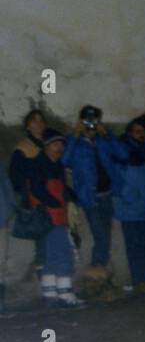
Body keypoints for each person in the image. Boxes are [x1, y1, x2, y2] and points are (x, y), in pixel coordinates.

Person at [99, 117, 145, 293]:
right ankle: (140, 281)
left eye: (143, 131)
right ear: (129, 133)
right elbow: (119, 177)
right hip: (131, 205)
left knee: (143, 244)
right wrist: (126, 197)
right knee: (134, 245)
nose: (140, 135)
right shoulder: (124, 150)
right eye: (136, 131)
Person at [62, 105, 116, 284]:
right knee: (100, 235)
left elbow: (122, 154)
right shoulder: (73, 142)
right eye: (87, 121)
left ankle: (100, 273)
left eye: (94, 121)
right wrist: (75, 135)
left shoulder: (103, 140)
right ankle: (96, 271)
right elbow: (64, 161)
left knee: (106, 236)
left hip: (107, 193)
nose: (91, 125)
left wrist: (106, 134)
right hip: (88, 196)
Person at [28, 131, 82, 307]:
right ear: (46, 146)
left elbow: (63, 188)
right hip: (49, 216)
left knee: (52, 256)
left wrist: (71, 199)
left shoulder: (57, 165)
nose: (59, 148)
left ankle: (50, 294)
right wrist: (54, 204)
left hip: (59, 215)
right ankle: (65, 295)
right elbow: (37, 189)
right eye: (55, 144)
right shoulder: (38, 165)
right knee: (64, 253)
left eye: (61, 145)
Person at [9, 110, 47, 272]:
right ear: (27, 126)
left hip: (53, 197)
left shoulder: (51, 143)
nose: (38, 124)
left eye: (40, 120)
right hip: (36, 199)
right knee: (42, 240)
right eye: (33, 121)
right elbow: (15, 175)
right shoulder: (23, 148)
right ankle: (44, 279)